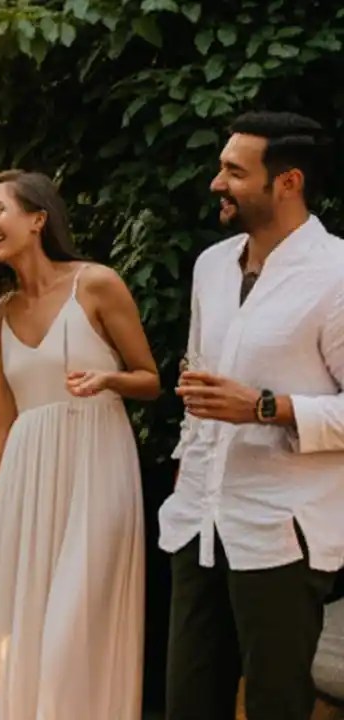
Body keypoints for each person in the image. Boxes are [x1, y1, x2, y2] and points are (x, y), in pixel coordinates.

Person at [0, 170, 159, 719]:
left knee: (73, 629)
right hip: (26, 481)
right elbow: (4, 422)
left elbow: (150, 379)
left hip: (96, 470)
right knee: (28, 632)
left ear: (38, 219)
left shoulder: (97, 284)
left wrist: (109, 379)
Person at [165, 111, 343, 720]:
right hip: (199, 521)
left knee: (275, 707)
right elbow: (199, 376)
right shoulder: (211, 266)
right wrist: (186, 473)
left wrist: (266, 408)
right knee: (188, 703)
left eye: (234, 172)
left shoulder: (337, 275)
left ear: (288, 183)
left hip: (281, 532)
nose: (217, 183)